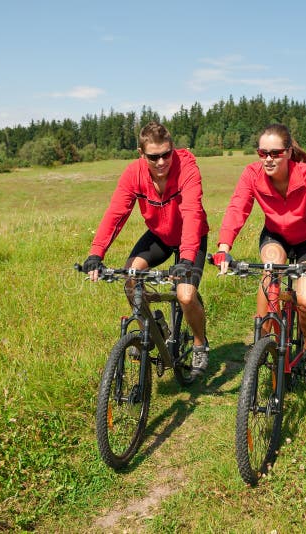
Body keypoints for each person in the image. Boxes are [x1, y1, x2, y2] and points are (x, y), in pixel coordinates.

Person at [82, 121, 211, 378]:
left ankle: (199, 344)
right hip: (159, 237)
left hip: (191, 236)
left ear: (172, 149)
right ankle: (154, 330)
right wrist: (96, 254)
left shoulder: (187, 168)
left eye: (166, 154)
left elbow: (192, 214)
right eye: (154, 157)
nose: (162, 161)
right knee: (131, 279)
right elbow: (116, 213)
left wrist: (186, 259)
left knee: (185, 296)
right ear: (142, 155)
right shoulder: (134, 174)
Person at [215, 123, 306, 386]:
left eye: (275, 153)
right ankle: (262, 341)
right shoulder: (251, 174)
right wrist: (224, 248)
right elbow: (238, 207)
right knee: (270, 268)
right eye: (263, 153)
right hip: (276, 237)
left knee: (305, 300)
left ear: (287, 152)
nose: (268, 159)